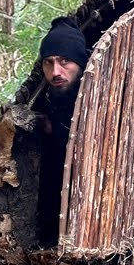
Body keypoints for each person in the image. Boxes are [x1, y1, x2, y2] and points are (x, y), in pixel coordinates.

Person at [35, 17, 89, 248]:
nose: (56, 71)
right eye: (49, 62)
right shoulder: (46, 106)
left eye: (65, 61)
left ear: (81, 62)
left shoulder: (99, 104)